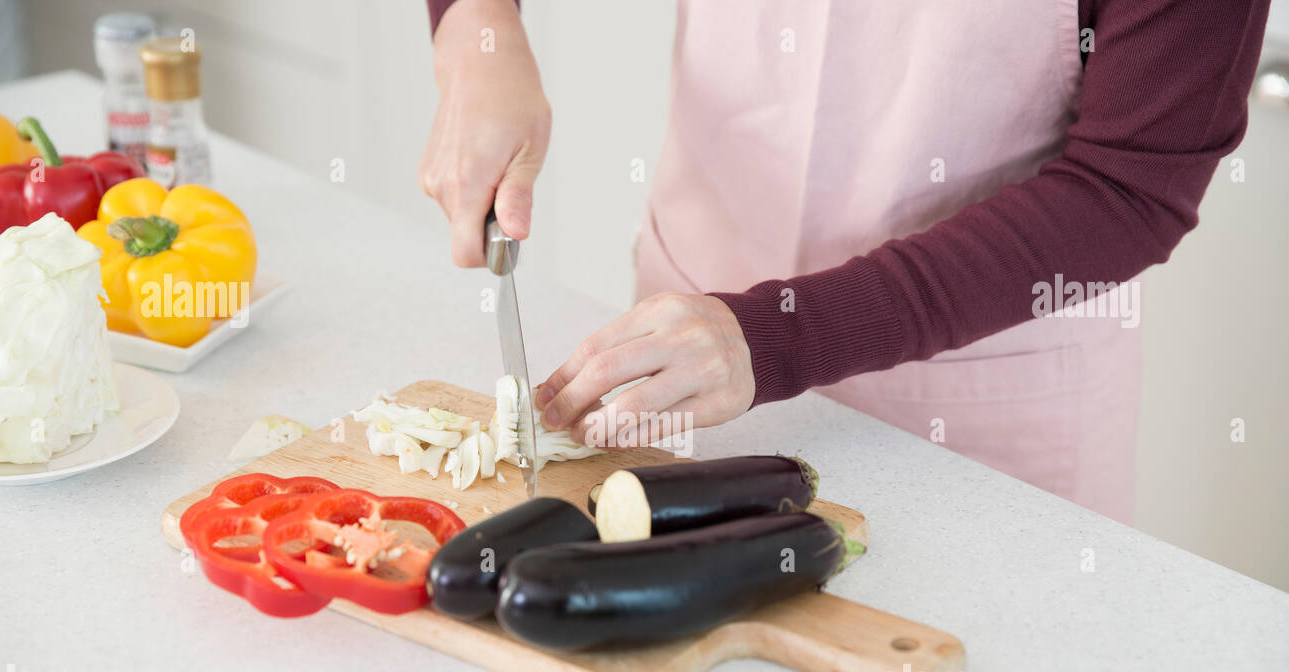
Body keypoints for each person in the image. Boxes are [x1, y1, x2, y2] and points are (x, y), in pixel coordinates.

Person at [419, 0, 1270, 524]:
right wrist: (477, 26)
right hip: (682, 345)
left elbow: (1130, 187)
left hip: (979, 413)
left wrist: (775, 335)